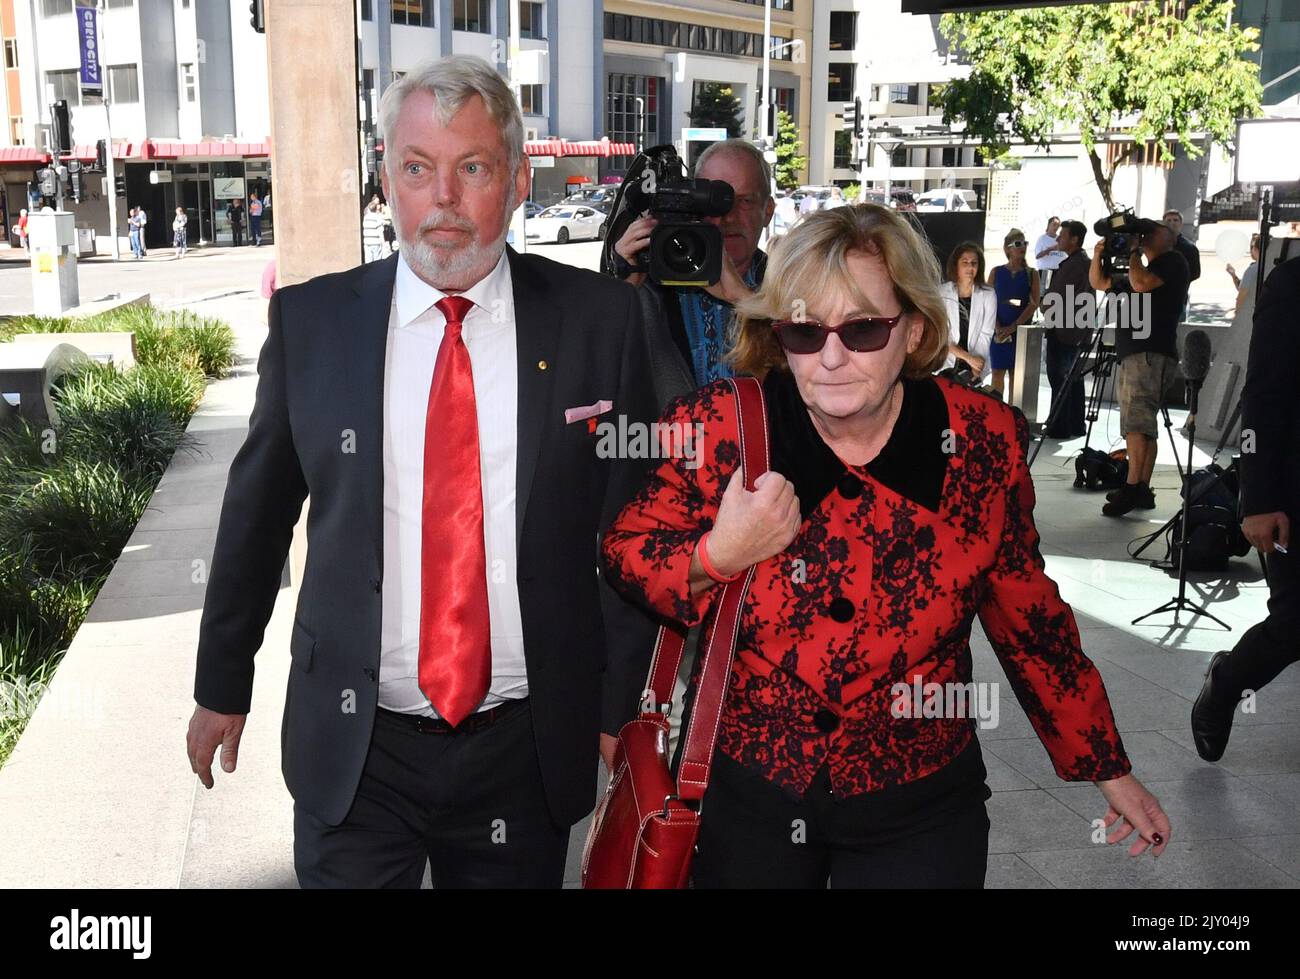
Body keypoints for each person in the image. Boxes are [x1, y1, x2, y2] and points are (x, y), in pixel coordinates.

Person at [186, 54, 661, 889]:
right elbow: (256, 516)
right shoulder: (315, 321)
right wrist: (223, 681)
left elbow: (632, 528)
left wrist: (619, 707)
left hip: (525, 743)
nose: (442, 198)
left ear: (517, 179)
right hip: (357, 745)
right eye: (416, 168)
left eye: (472, 168)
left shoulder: (601, 321)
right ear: (385, 179)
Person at [601, 204, 1171, 888]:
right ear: (778, 337)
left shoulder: (978, 442)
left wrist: (1104, 763)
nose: (832, 356)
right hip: (750, 797)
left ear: (916, 329)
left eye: (864, 327)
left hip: (920, 802)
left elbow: (1029, 616)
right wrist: (716, 556)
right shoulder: (721, 428)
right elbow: (625, 550)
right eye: (805, 330)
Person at [1191, 255, 1300, 761]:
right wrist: (1257, 499)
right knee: (1295, 622)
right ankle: (1227, 682)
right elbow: (1265, 393)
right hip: (1293, 490)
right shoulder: (1292, 282)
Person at [612, 137, 775, 406]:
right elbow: (591, 373)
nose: (727, 217)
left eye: (744, 201)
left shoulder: (793, 287)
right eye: (714, 202)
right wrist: (622, 288)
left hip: (763, 447)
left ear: (767, 211)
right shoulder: (650, 287)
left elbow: (802, 380)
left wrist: (745, 300)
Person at [1090, 220, 1190, 516]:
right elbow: (1099, 283)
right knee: (1144, 426)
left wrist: (1133, 253)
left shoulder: (1172, 261)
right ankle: (1142, 488)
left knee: (1136, 423)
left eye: (1151, 233)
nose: (1144, 237)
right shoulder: (1141, 269)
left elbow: (1141, 284)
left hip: (1149, 353)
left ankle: (1132, 487)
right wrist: (1099, 254)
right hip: (1136, 353)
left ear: (1168, 239)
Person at [1041, 220, 1092, 439]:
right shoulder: (1081, 263)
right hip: (1075, 330)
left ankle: (1060, 426)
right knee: (1073, 380)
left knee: (1060, 379)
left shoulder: (1074, 265)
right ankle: (1075, 424)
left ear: (1074, 239)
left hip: (1065, 331)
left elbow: (1057, 297)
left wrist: (1044, 305)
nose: (1059, 238)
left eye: (1063, 235)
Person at [988, 228, 1040, 402]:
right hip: (999, 328)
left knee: (1015, 376)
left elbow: (1034, 304)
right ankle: (996, 414)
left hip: (1019, 331)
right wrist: (997, 327)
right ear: (1008, 248)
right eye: (1017, 244)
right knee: (997, 373)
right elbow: (988, 301)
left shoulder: (1032, 273)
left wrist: (1013, 327)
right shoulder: (996, 272)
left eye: (1024, 243)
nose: (1022, 247)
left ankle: (1011, 417)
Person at [938, 241, 996, 385]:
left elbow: (986, 335)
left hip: (975, 365)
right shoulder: (941, 293)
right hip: (946, 363)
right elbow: (941, 337)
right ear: (956, 265)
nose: (970, 267)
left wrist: (976, 365)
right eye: (965, 262)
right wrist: (967, 357)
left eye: (974, 263)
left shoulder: (988, 294)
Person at [1163, 209, 1201, 322]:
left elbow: (1195, 273)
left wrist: (1178, 279)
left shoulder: (1189, 248)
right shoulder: (1157, 244)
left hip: (1178, 299)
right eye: (1168, 220)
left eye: (1175, 220)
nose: (1172, 223)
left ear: (1181, 224)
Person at [1227, 233, 1261, 316]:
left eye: (1252, 247)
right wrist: (1233, 275)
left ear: (1256, 249)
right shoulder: (1269, 267)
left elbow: (1243, 293)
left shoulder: (1252, 270)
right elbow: (1242, 287)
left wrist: (1237, 313)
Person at [1033, 216, 1065, 291]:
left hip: (1058, 272)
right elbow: (1037, 256)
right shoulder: (1042, 239)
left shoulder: (1061, 239)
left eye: (1058, 225)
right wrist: (1050, 249)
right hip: (1045, 271)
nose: (1056, 227)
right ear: (1048, 225)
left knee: (1056, 296)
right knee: (1043, 296)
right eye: (1054, 224)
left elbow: (1065, 256)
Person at [361, 195, 386, 262]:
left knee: (368, 261)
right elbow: (380, 232)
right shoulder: (377, 218)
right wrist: (383, 244)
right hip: (376, 243)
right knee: (377, 262)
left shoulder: (365, 218)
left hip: (367, 243)